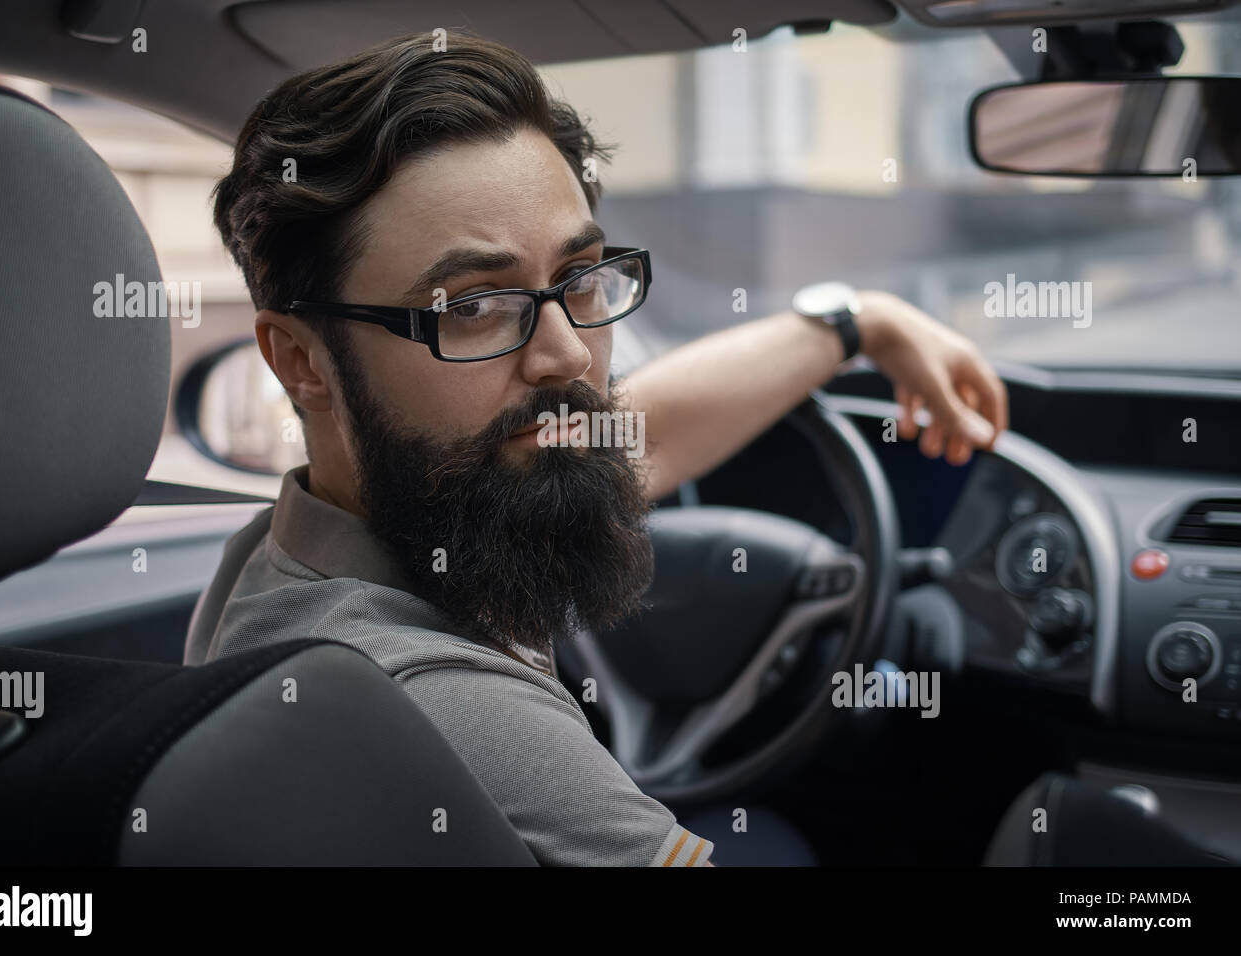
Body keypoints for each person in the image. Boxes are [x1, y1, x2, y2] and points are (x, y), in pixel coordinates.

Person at [185, 30, 1008, 866]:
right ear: (300, 359)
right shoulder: (433, 699)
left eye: (579, 279)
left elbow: (621, 434)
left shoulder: (286, 552)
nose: (570, 354)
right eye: (472, 307)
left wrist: (855, 323)